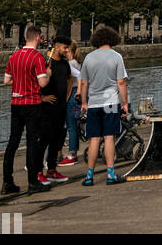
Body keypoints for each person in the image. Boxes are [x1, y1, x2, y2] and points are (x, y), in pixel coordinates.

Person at [1, 24, 51, 196]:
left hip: (16, 103)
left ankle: (7, 182)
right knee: (32, 142)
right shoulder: (37, 57)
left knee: (12, 142)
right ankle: (33, 181)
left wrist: (20, 79)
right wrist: (48, 74)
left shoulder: (13, 57)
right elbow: (43, 83)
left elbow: (6, 81)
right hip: (32, 103)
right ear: (37, 37)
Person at [79, 25, 129, 186]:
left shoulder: (89, 58)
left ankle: (89, 176)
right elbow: (121, 82)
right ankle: (110, 174)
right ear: (112, 39)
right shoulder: (116, 57)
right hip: (110, 103)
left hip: (93, 103)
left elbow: (84, 83)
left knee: (94, 138)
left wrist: (85, 102)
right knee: (109, 137)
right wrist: (125, 103)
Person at [37, 35, 74, 183]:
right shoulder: (46, 62)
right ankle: (38, 171)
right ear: (57, 47)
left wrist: (67, 95)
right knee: (43, 140)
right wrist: (41, 98)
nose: (67, 51)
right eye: (65, 48)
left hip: (60, 107)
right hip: (46, 108)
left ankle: (52, 169)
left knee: (56, 140)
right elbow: (35, 81)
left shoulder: (65, 64)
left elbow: (70, 78)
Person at [59, 37, 81, 166]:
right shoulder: (77, 62)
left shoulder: (70, 64)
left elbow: (70, 83)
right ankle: (73, 152)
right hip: (77, 95)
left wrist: (65, 99)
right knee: (74, 126)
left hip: (72, 94)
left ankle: (72, 153)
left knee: (71, 126)